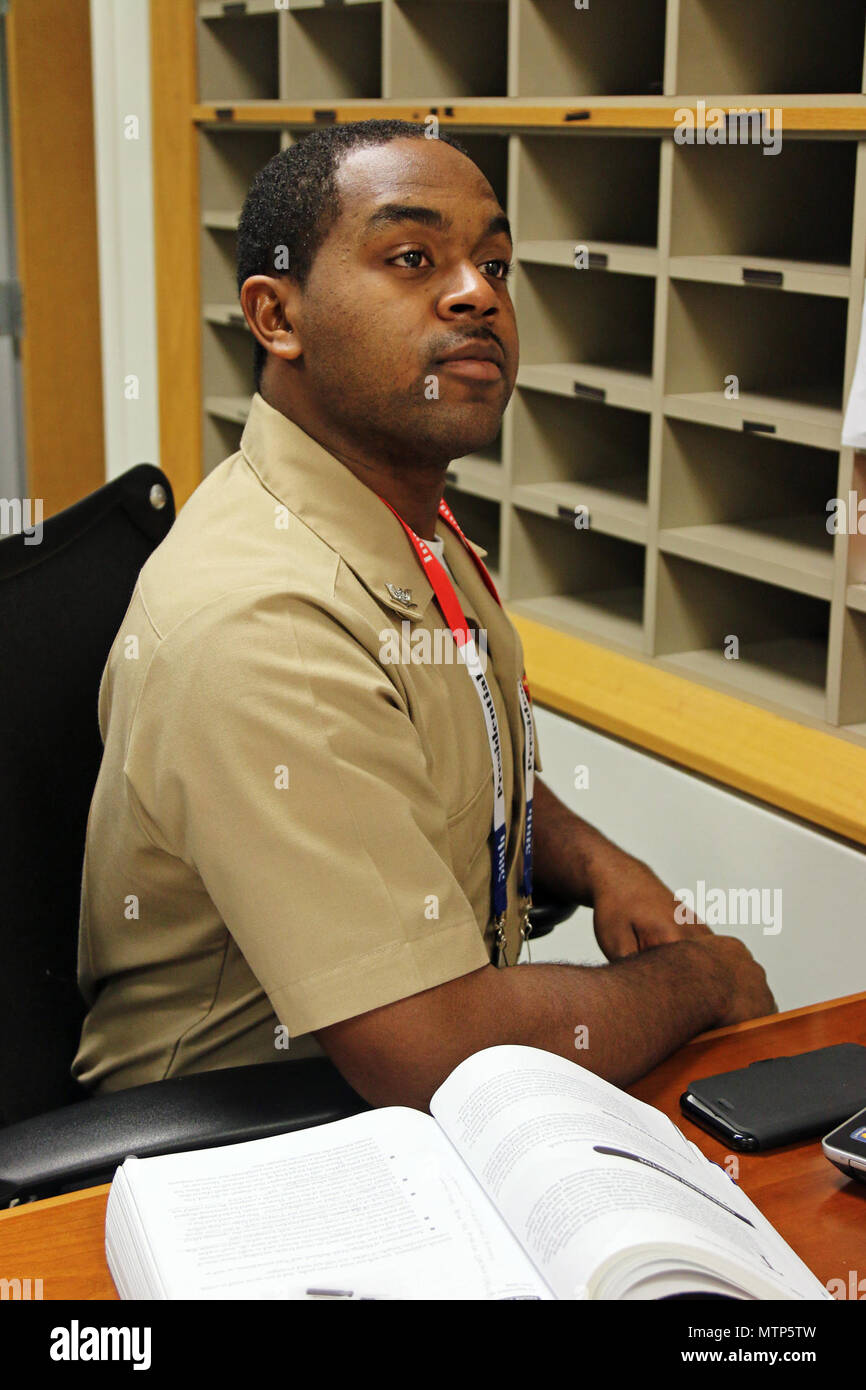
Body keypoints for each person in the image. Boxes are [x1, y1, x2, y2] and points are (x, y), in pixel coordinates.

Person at [73, 120, 775, 1108]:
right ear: (277, 317)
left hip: (410, 1085)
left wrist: (595, 862)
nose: (476, 293)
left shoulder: (411, 529)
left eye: (493, 262)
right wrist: (697, 981)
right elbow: (430, 1050)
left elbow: (450, 776)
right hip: (258, 1133)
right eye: (411, 257)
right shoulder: (260, 621)